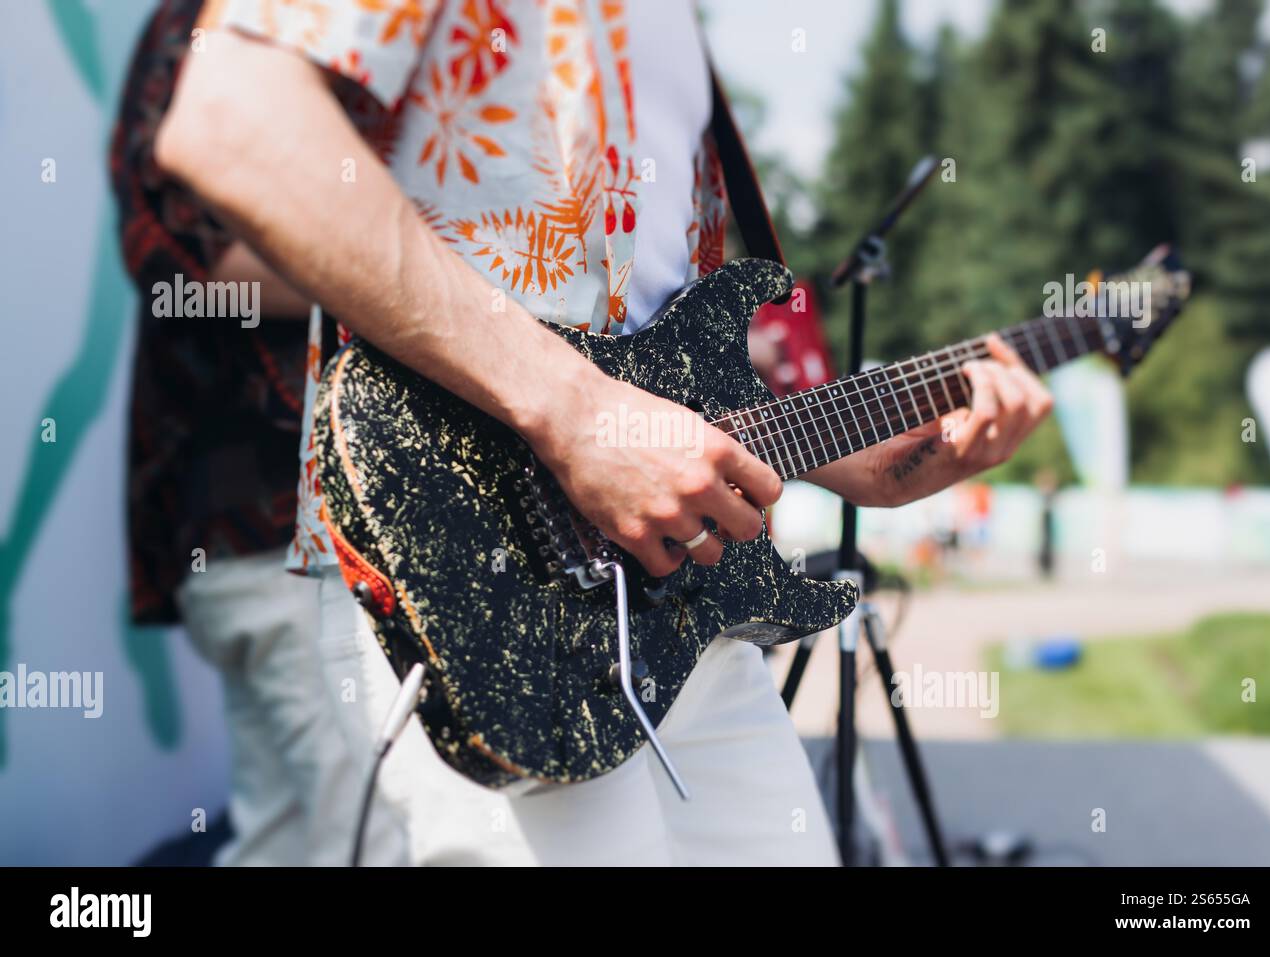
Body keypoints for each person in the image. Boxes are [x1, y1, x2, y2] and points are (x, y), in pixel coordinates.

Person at [154, 0, 1053, 865]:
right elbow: (235, 121)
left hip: (687, 608)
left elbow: (659, 346)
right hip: (484, 577)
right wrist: (579, 413)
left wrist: (834, 449)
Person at [111, 0, 404, 866]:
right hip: (272, 528)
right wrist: (420, 288)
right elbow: (175, 260)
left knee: (290, 837)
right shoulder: (204, 25)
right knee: (379, 838)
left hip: (301, 533)